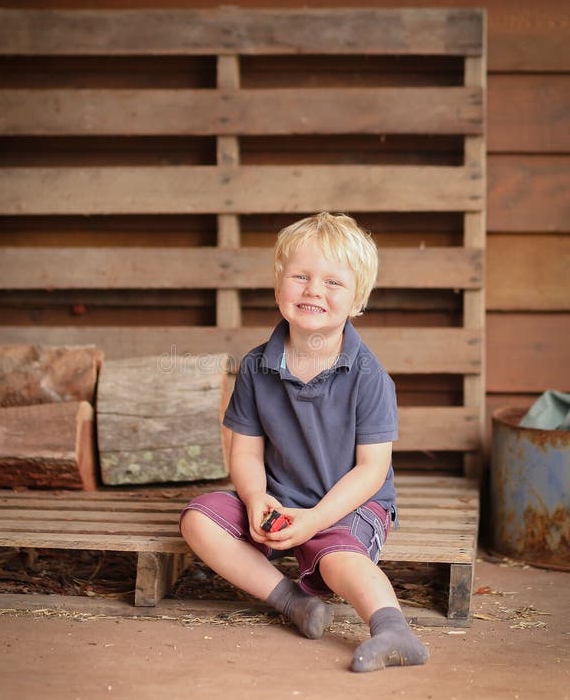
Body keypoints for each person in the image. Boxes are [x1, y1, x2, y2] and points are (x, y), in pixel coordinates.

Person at [180, 212, 429, 672]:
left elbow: (371, 470)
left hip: (347, 505)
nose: (314, 290)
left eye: (333, 282)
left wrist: (316, 519)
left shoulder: (369, 376)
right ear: (279, 288)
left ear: (357, 301)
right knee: (199, 520)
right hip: (279, 498)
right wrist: (256, 499)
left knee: (337, 561)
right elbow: (247, 450)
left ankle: (393, 630)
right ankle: (293, 601)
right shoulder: (257, 368)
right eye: (301, 276)